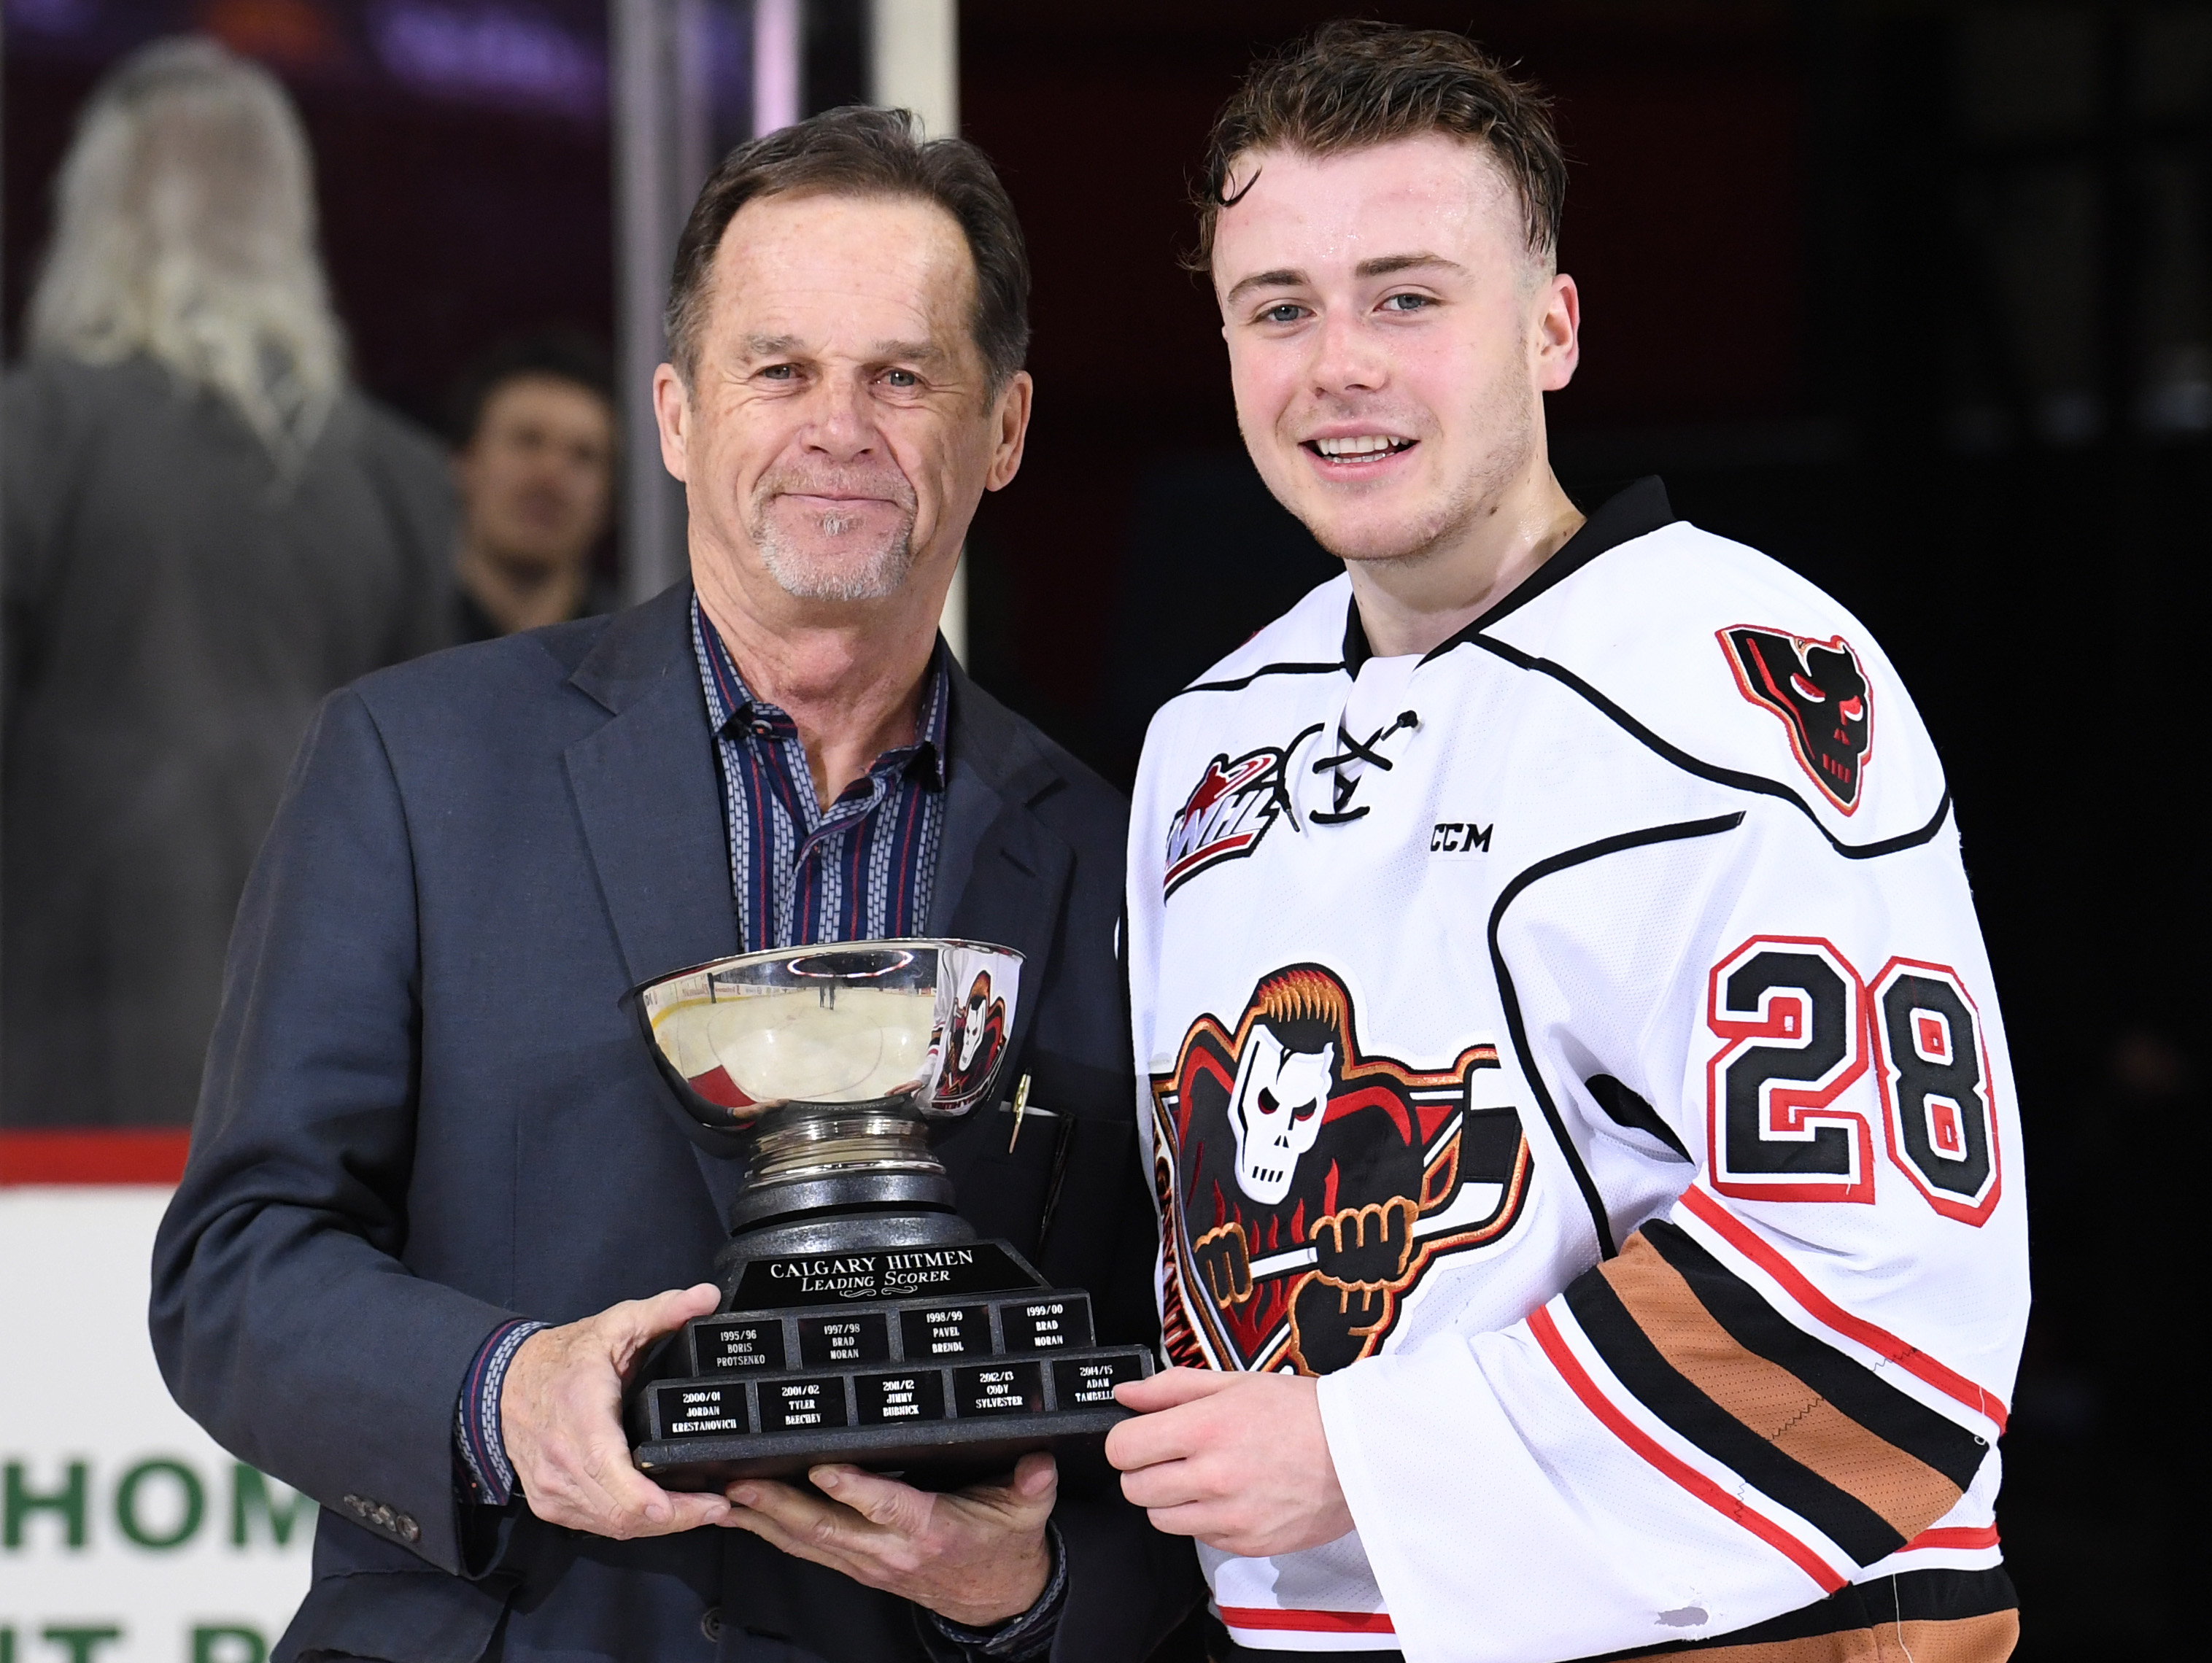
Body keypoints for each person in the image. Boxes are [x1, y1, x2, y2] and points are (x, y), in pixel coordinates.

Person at [150, 107, 1200, 1663]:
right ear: (677, 415)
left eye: (901, 377)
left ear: (1005, 428)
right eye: (778, 371)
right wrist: (503, 1396)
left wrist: (1025, 1592)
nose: (838, 429)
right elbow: (236, 1270)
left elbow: (1174, 1369)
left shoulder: (1122, 858)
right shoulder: (413, 764)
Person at [1107, 23, 2025, 1663]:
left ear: (1552, 329)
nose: (1338, 366)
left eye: (1406, 298)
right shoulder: (1202, 741)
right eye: (1280, 309)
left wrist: (1367, 1459)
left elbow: (1889, 1295)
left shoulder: (1731, 684)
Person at [1, 37, 454, 1130]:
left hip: (66, 1051)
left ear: (96, 209)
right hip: (324, 1061)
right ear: (287, 215)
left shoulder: (35, 435)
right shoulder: (398, 479)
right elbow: (439, 820)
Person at [448, 333, 619, 641]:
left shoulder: (645, 651)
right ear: (464, 462)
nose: (551, 475)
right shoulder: (385, 638)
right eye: (528, 441)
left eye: (583, 455)